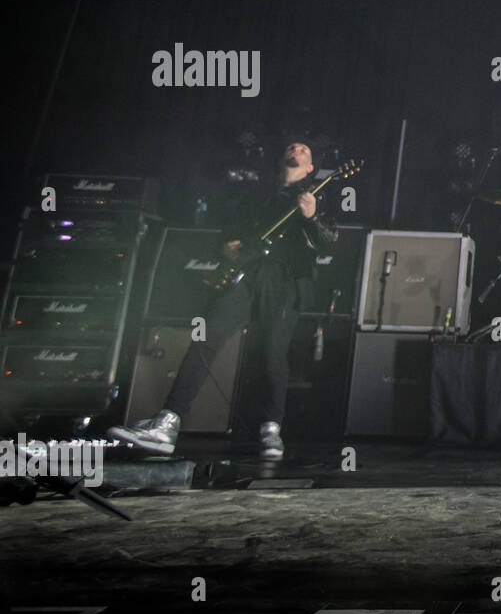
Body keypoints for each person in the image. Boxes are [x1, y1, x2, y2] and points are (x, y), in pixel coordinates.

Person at [109, 141, 339, 460]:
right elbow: (229, 233)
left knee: (273, 353)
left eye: (303, 150)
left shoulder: (319, 195)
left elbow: (328, 246)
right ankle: (168, 422)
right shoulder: (257, 194)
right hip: (246, 276)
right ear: (281, 156)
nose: (296, 150)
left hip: (285, 281)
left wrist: (311, 217)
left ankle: (271, 429)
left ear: (311, 167)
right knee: (206, 338)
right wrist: (226, 247)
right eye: (291, 146)